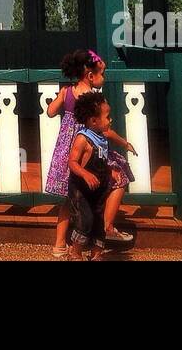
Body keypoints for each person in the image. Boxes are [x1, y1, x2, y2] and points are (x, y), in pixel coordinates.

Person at [43, 49, 95, 258]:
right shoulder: (92, 96)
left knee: (67, 198)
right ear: (87, 72)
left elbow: (50, 111)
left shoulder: (67, 92)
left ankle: (59, 243)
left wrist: (60, 98)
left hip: (66, 147)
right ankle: (86, 243)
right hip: (86, 145)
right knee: (88, 195)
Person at [85, 52, 137, 245]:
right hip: (95, 152)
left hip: (87, 149)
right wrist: (124, 143)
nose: (104, 78)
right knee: (120, 178)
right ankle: (107, 227)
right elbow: (105, 131)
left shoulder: (76, 92)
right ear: (91, 75)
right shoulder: (93, 100)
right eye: (103, 73)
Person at [67, 91, 114, 261]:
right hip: (81, 188)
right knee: (84, 219)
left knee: (98, 220)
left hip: (98, 188)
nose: (110, 120)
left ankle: (96, 254)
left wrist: (110, 170)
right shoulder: (83, 139)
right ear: (94, 121)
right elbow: (72, 162)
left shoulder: (102, 137)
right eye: (108, 117)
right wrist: (85, 174)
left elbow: (102, 159)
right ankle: (75, 252)